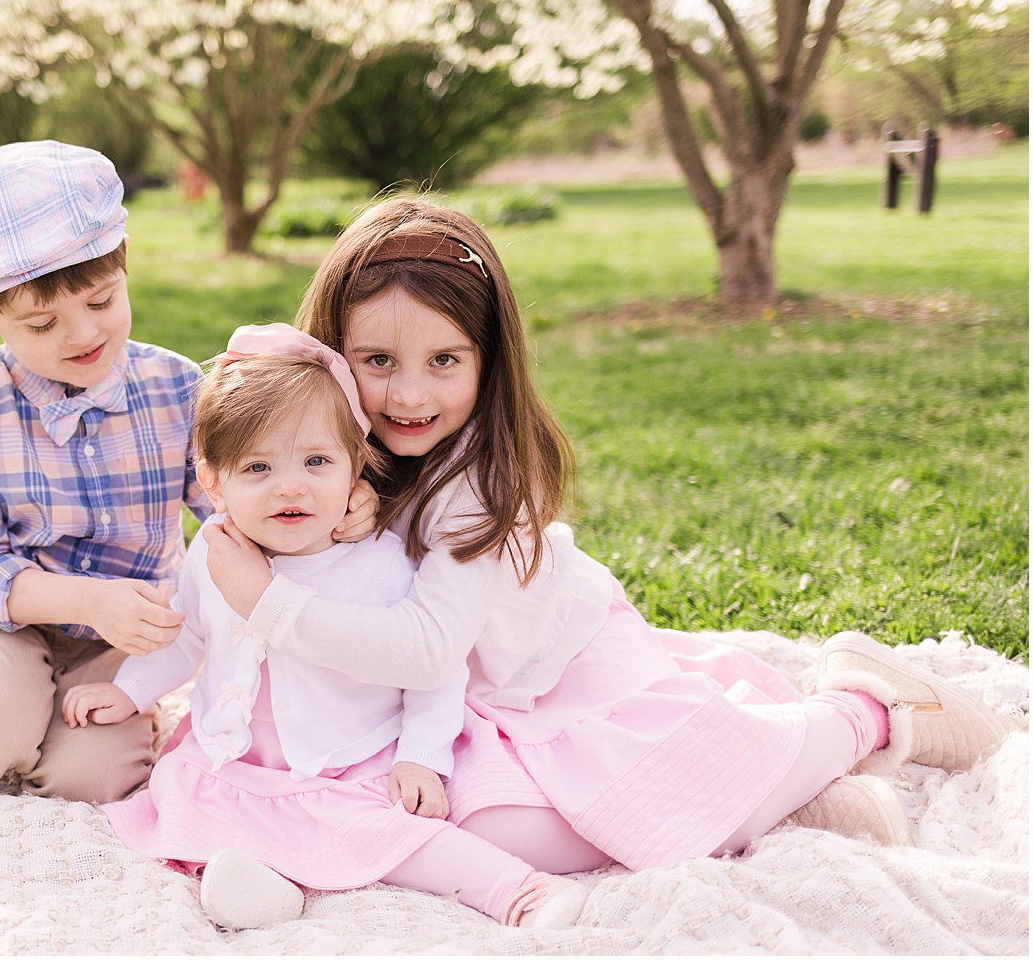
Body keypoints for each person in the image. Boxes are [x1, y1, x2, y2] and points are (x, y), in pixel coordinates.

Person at [199, 197, 1009, 878]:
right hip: (452, 703)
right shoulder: (329, 457)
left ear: (489, 361)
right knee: (469, 826)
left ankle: (861, 714)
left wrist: (267, 604)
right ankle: (790, 797)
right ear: (330, 361)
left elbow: (428, 648)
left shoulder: (478, 485)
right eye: (377, 359)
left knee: (608, 813)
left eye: (444, 359)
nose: (409, 394)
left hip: (553, 667)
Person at [0, 141, 378, 807]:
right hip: (7, 619)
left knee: (92, 779)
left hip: (128, 632)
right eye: (41, 322)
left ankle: (24, 730)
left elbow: (230, 503)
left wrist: (329, 510)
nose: (81, 333)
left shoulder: (176, 388)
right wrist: (86, 601)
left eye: (101, 300)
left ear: (123, 271)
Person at [64, 323, 590, 930]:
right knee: (196, 812)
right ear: (212, 482)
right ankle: (269, 885)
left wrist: (421, 755)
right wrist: (127, 691)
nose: (292, 485)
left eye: (316, 461)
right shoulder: (217, 555)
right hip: (235, 759)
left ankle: (520, 893)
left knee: (394, 838)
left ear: (355, 470)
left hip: (345, 761)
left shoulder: (378, 566)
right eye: (258, 467)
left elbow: (432, 670)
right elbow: (187, 640)